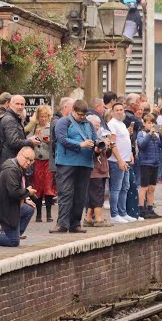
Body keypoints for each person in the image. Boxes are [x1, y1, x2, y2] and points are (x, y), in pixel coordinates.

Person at [53, 99, 94, 233]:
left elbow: (94, 140)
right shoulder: (63, 121)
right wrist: (80, 144)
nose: (82, 117)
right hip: (66, 163)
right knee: (65, 193)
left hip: (85, 163)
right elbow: (62, 139)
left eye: (84, 115)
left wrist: (99, 146)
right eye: (80, 115)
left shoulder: (88, 124)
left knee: (80, 195)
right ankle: (62, 224)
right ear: (73, 111)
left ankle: (75, 224)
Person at [24, 104, 57, 223]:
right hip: (36, 160)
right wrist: (34, 138)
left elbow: (55, 143)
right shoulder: (34, 127)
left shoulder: (51, 127)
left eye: (45, 116)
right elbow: (25, 140)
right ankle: (38, 214)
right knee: (37, 187)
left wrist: (48, 141)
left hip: (48, 161)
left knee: (48, 187)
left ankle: (48, 213)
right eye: (41, 116)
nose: (43, 119)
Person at [107, 102, 137, 223]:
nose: (119, 112)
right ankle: (114, 214)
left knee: (125, 187)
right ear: (112, 112)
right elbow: (112, 144)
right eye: (117, 110)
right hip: (116, 161)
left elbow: (125, 141)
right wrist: (119, 160)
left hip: (126, 160)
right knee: (116, 188)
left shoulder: (122, 124)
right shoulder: (112, 124)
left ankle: (123, 212)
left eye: (121, 110)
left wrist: (130, 154)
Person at [50, 97, 75, 231]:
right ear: (65, 108)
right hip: (62, 162)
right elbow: (58, 142)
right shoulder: (58, 122)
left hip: (67, 161)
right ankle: (62, 222)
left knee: (69, 193)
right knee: (64, 193)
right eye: (73, 107)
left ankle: (68, 222)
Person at [136, 112, 162, 219]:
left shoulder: (156, 135)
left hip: (155, 163)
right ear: (144, 123)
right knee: (144, 187)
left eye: (152, 123)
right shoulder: (141, 133)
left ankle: (150, 208)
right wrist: (149, 134)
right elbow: (142, 145)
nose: (151, 125)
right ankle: (141, 209)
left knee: (152, 188)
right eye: (148, 123)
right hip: (145, 163)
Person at [86, 114, 113, 227]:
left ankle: (88, 219)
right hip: (94, 172)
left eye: (98, 125)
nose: (97, 128)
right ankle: (98, 219)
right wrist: (99, 147)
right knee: (97, 196)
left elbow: (106, 155)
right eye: (95, 125)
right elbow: (93, 154)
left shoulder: (100, 137)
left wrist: (109, 147)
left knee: (95, 196)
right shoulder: (88, 137)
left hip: (102, 170)